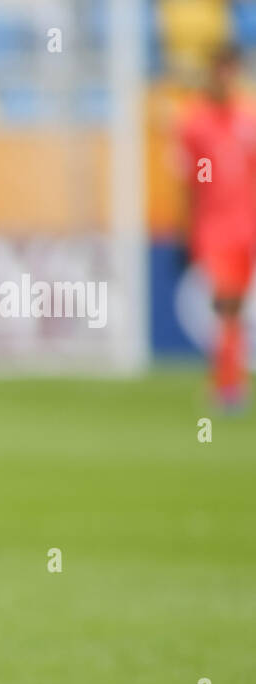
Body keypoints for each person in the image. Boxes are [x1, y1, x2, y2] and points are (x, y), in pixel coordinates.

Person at [177, 43, 256, 410]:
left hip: (249, 228)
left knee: (233, 309)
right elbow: (190, 182)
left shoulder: (249, 120)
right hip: (216, 230)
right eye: (220, 70)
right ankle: (228, 387)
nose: (225, 77)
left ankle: (227, 382)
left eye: (230, 69)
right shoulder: (194, 124)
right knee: (226, 305)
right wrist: (186, 229)